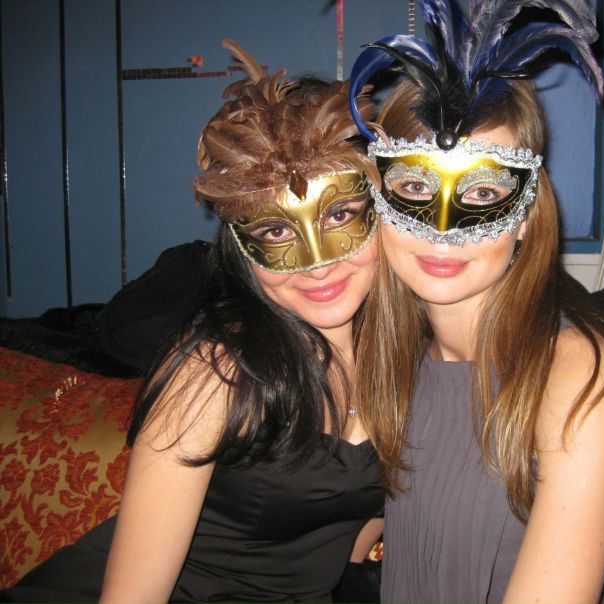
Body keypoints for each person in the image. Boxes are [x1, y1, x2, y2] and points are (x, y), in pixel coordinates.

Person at [1, 40, 383, 604]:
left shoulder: (407, 358)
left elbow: (361, 531)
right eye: (276, 230)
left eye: (341, 214)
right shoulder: (213, 371)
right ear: (242, 245)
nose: (316, 263)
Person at [347, 1, 604, 603]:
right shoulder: (387, 357)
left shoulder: (577, 370)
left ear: (525, 216)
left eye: (482, 193)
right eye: (415, 185)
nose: (442, 230)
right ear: (379, 201)